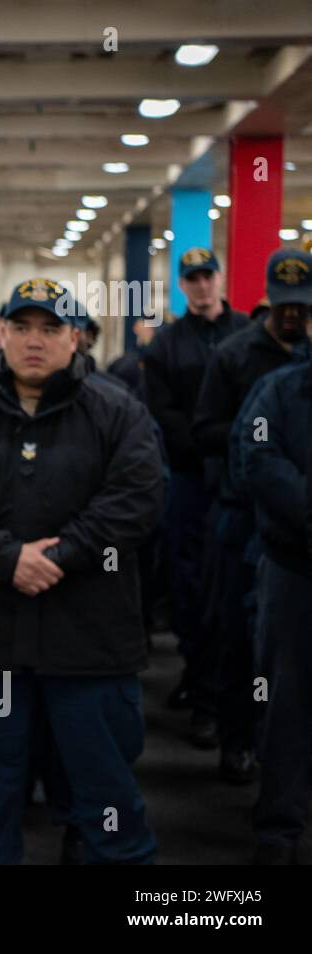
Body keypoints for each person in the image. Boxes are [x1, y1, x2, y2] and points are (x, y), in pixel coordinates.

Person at [0, 278, 164, 864]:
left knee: (104, 791)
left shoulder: (118, 413)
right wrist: (8, 558)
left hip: (90, 642)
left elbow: (137, 499)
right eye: (22, 327)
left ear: (75, 338)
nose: (36, 341)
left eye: (51, 329)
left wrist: (57, 557)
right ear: (1, 333)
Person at [201, 250, 312, 793]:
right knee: (241, 639)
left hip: (292, 530)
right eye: (286, 305)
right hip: (245, 518)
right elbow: (209, 429)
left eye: (303, 307)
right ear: (269, 299)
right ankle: (237, 736)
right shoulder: (235, 355)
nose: (293, 316)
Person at [142, 248, 247, 744]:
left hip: (241, 483)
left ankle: (228, 696)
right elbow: (163, 413)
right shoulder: (165, 346)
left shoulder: (247, 335)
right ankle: (201, 681)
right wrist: (206, 448)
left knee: (235, 588)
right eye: (193, 279)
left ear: (220, 279)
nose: (202, 286)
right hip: (188, 480)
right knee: (189, 583)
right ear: (182, 286)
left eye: (209, 276)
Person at [236, 252, 312, 864]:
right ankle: (280, 827)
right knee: (287, 702)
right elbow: (258, 462)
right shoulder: (278, 391)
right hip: (296, 571)